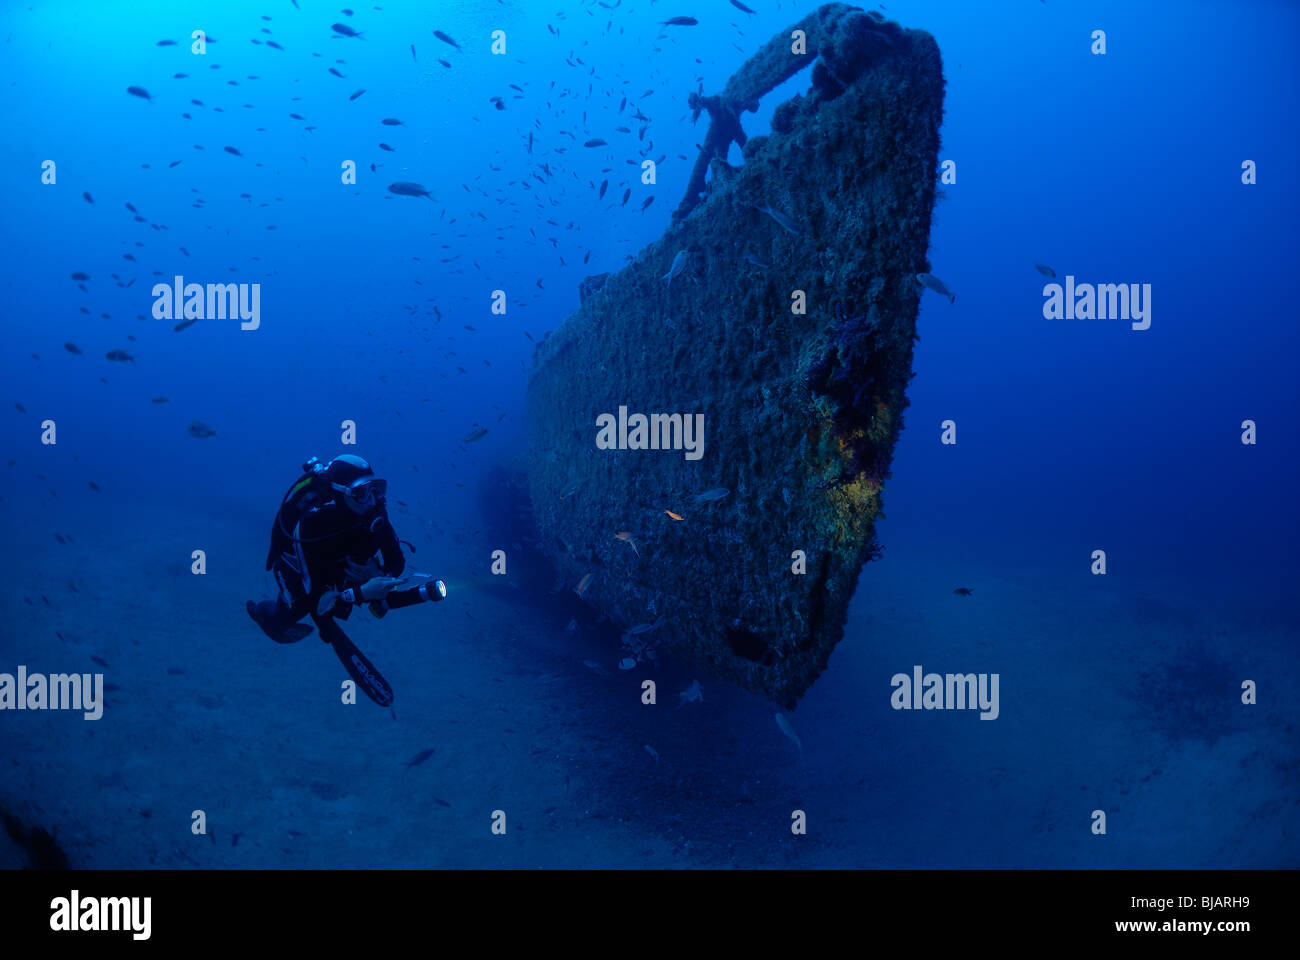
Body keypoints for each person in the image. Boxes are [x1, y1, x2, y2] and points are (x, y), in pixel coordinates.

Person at [246, 455, 443, 705]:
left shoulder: (374, 510)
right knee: (295, 611)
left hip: (346, 569)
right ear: (340, 494)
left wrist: (378, 576)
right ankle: (263, 615)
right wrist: (346, 608)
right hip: (302, 568)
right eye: (361, 492)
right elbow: (315, 598)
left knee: (355, 599)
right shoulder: (311, 524)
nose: (372, 499)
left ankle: (349, 595)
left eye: (376, 488)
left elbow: (397, 560)